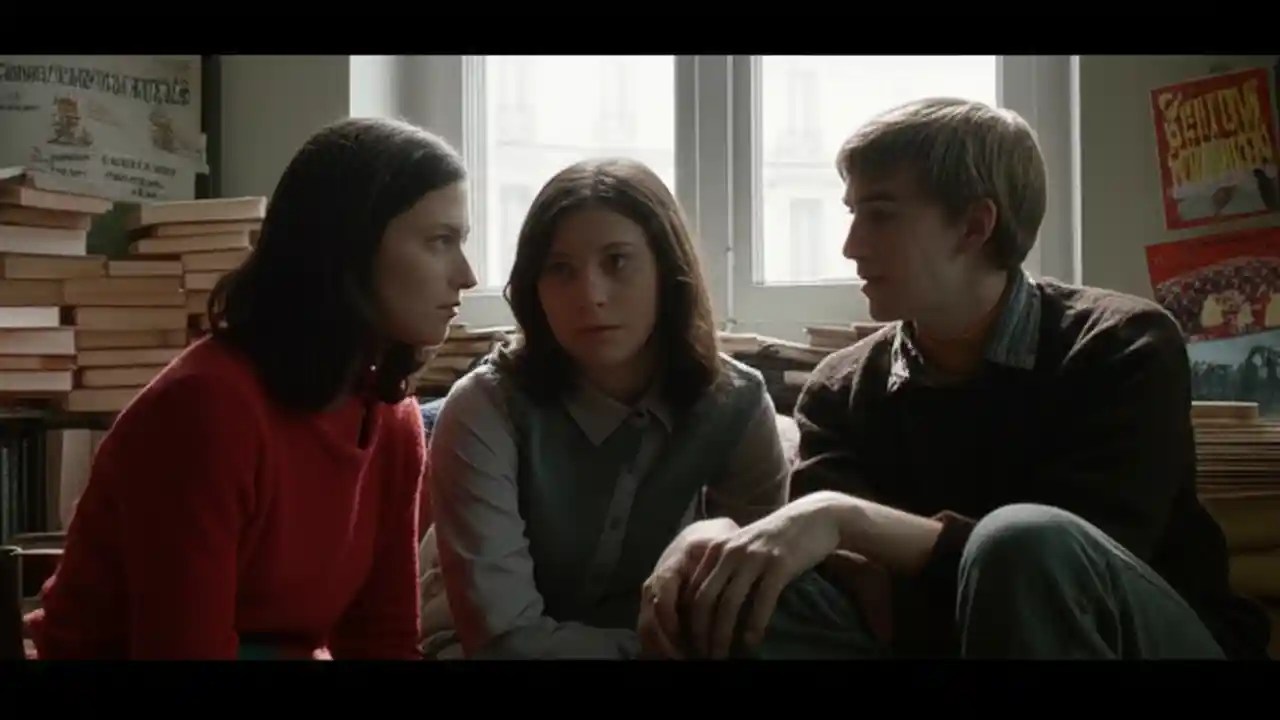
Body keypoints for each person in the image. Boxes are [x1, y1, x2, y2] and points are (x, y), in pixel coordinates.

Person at [639, 98, 1273, 660]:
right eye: (852, 213)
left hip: (1139, 635)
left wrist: (845, 518)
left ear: (975, 225)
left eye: (879, 215)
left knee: (1024, 541)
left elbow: (1065, 576)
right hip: (932, 635)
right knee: (735, 591)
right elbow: (848, 583)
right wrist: (710, 536)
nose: (850, 246)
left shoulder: (1121, 345)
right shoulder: (837, 389)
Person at [25, 117, 477, 659]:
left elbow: (383, 639)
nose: (467, 275)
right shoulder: (207, 408)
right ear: (350, 246)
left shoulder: (392, 417)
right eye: (440, 241)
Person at [422, 157, 790, 659]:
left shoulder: (736, 403)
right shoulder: (485, 407)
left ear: (667, 270)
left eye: (617, 261)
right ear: (535, 287)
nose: (590, 295)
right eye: (560, 270)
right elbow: (504, 641)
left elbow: (755, 612)